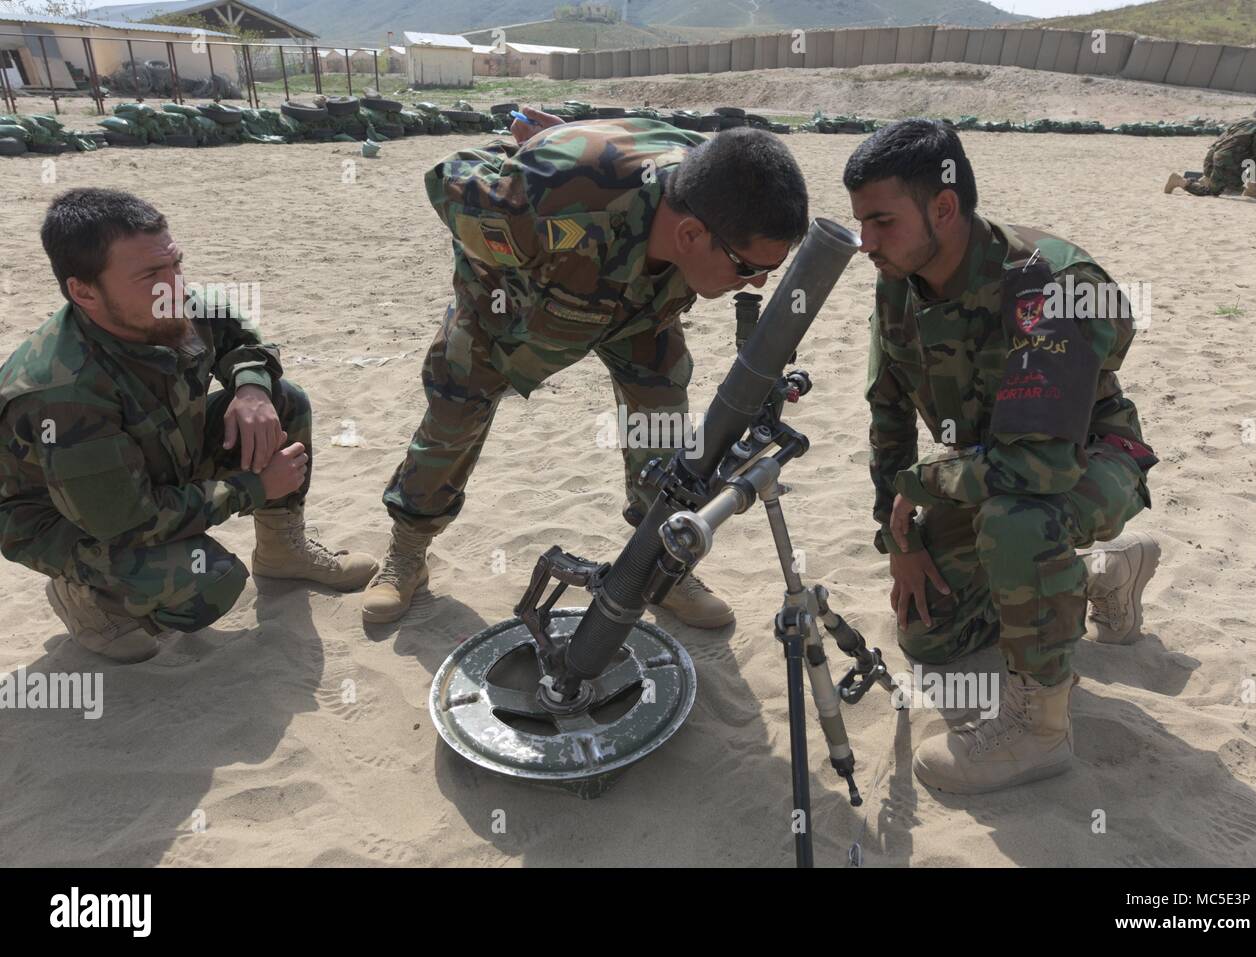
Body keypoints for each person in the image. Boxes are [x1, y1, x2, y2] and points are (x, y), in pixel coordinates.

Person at [363, 117, 809, 627]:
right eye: (748, 268)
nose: (755, 283)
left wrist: (577, 133)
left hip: (645, 309)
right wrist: (529, 153)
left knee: (660, 423)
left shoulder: (715, 183)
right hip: (512, 307)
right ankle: (408, 552)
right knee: (453, 418)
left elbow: (638, 139)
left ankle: (659, 568)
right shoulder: (532, 203)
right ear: (690, 234)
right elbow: (444, 176)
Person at [847, 120, 1161, 794]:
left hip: (1091, 458)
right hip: (989, 472)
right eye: (860, 223)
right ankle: (1102, 575)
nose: (864, 242)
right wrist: (897, 536)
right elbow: (888, 414)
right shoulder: (896, 281)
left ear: (943, 207)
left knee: (1019, 522)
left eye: (880, 221)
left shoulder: (1049, 282)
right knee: (930, 633)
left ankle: (1040, 729)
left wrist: (924, 482)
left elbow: (1043, 468)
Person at [0, 189, 377, 663]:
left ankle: (283, 552)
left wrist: (251, 388)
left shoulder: (170, 303)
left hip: (154, 454)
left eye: (176, 265)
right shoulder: (62, 392)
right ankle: (89, 598)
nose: (176, 286)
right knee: (210, 583)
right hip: (72, 520)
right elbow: (129, 521)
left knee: (284, 402)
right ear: (84, 291)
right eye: (152, 276)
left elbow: (242, 341)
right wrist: (251, 488)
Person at [1165, 106, 1256, 199]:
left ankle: (1206, 180)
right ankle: (1180, 181)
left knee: (1234, 188)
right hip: (1224, 160)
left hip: (1212, 156)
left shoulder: (1240, 122)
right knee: (1212, 192)